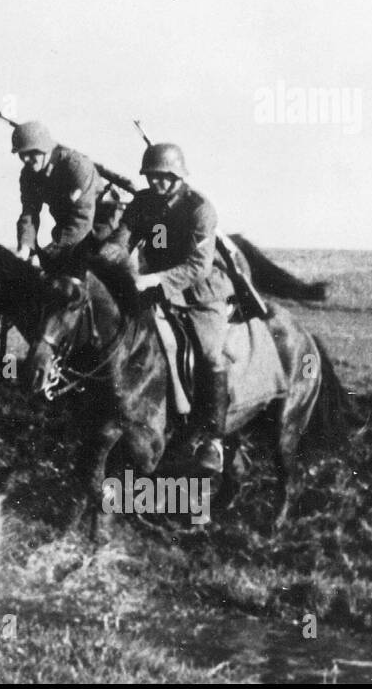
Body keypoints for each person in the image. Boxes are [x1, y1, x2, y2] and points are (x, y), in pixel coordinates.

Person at [108, 143, 233, 473]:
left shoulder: (199, 208)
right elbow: (124, 236)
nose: (157, 184)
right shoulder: (144, 202)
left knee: (210, 353)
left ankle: (214, 439)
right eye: (152, 177)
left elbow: (198, 265)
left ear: (178, 176)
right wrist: (110, 254)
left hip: (200, 292)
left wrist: (155, 279)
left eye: (164, 177)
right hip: (155, 286)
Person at [13, 121, 114, 265]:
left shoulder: (76, 166)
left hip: (102, 229)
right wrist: (25, 246)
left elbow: (82, 219)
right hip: (67, 232)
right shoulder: (29, 174)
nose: (26, 159)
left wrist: (50, 252)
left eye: (31, 153)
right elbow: (29, 212)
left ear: (45, 149)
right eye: (21, 154)